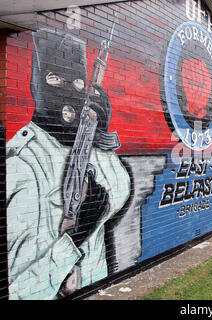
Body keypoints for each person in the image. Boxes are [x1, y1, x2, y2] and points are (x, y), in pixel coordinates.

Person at [6, 29, 130, 300]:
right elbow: (18, 290)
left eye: (76, 83)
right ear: (38, 81)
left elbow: (119, 194)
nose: (68, 90)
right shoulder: (22, 164)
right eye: (54, 78)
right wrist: (74, 238)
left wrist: (100, 137)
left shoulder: (84, 146)